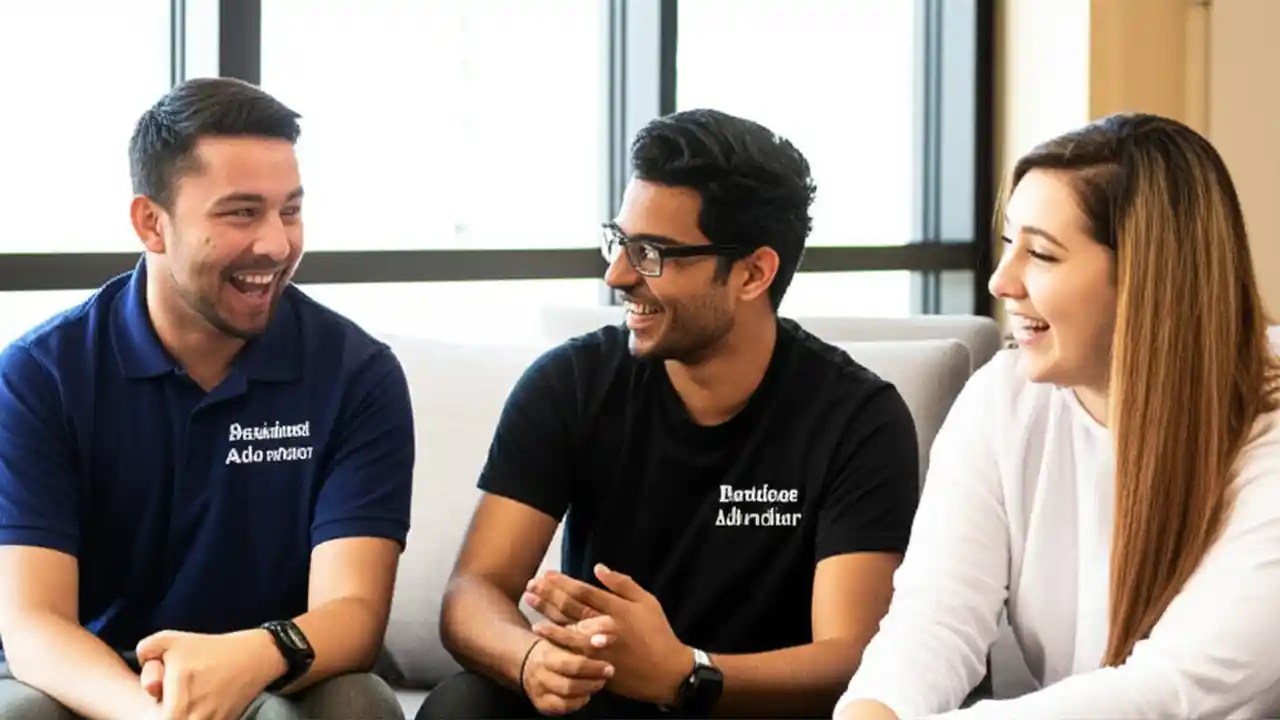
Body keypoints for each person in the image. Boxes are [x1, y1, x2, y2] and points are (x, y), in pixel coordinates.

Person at [417, 108, 920, 720]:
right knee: (464, 706)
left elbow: (850, 655)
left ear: (752, 273)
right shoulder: (572, 383)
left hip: (749, 710)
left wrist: (687, 673)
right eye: (621, 242)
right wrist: (531, 660)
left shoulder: (856, 418)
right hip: (603, 705)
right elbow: (473, 591)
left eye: (653, 253)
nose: (618, 274)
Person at [835, 112, 1280, 720]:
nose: (1001, 280)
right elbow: (934, 618)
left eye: (1041, 253)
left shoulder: (1268, 430)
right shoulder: (1003, 399)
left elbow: (1176, 690)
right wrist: (872, 711)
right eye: (1007, 244)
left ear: (1148, 277)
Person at [0, 77, 414, 720]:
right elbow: (33, 623)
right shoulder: (39, 376)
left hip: (269, 671)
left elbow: (354, 613)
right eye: (241, 212)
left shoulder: (358, 376)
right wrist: (157, 718)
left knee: (356, 704)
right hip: (97, 685)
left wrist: (260, 654)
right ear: (151, 223)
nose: (276, 245)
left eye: (290, 210)